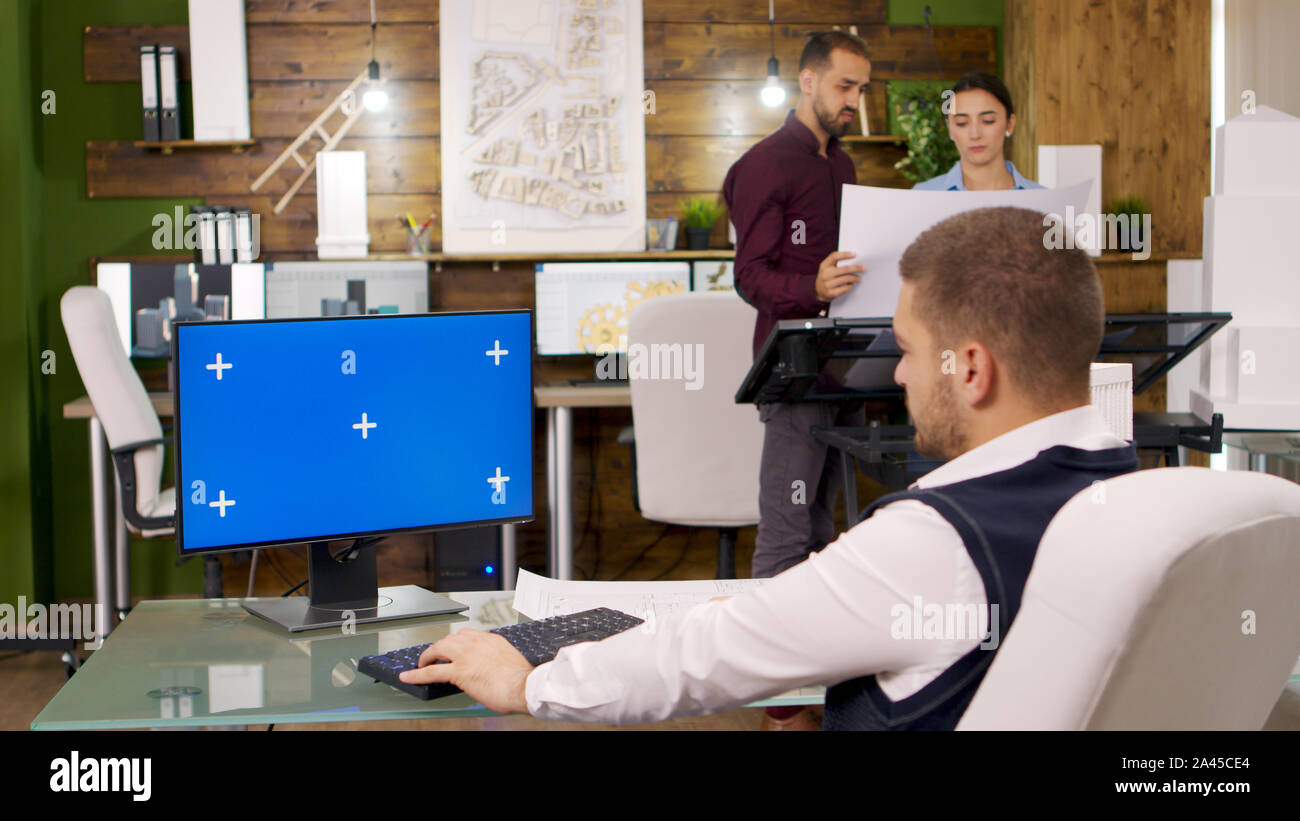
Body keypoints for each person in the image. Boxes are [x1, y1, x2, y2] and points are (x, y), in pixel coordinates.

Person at [398, 207, 1139, 730]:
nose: (900, 375)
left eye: (907, 350)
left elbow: (703, 657)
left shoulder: (936, 542)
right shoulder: (1139, 499)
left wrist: (529, 680)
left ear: (971, 367)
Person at [720, 29, 872, 730]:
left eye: (862, 90)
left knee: (827, 536)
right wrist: (810, 283)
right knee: (786, 538)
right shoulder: (763, 166)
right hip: (792, 377)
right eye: (845, 87)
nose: (854, 102)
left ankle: (815, 695)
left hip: (848, 371)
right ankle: (779, 709)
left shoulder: (842, 167)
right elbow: (749, 277)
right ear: (808, 82)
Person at [914, 72, 1044, 192]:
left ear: (1009, 124)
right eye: (962, 123)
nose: (975, 134)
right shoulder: (922, 196)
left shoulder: (1042, 198)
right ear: (950, 129)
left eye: (988, 121)